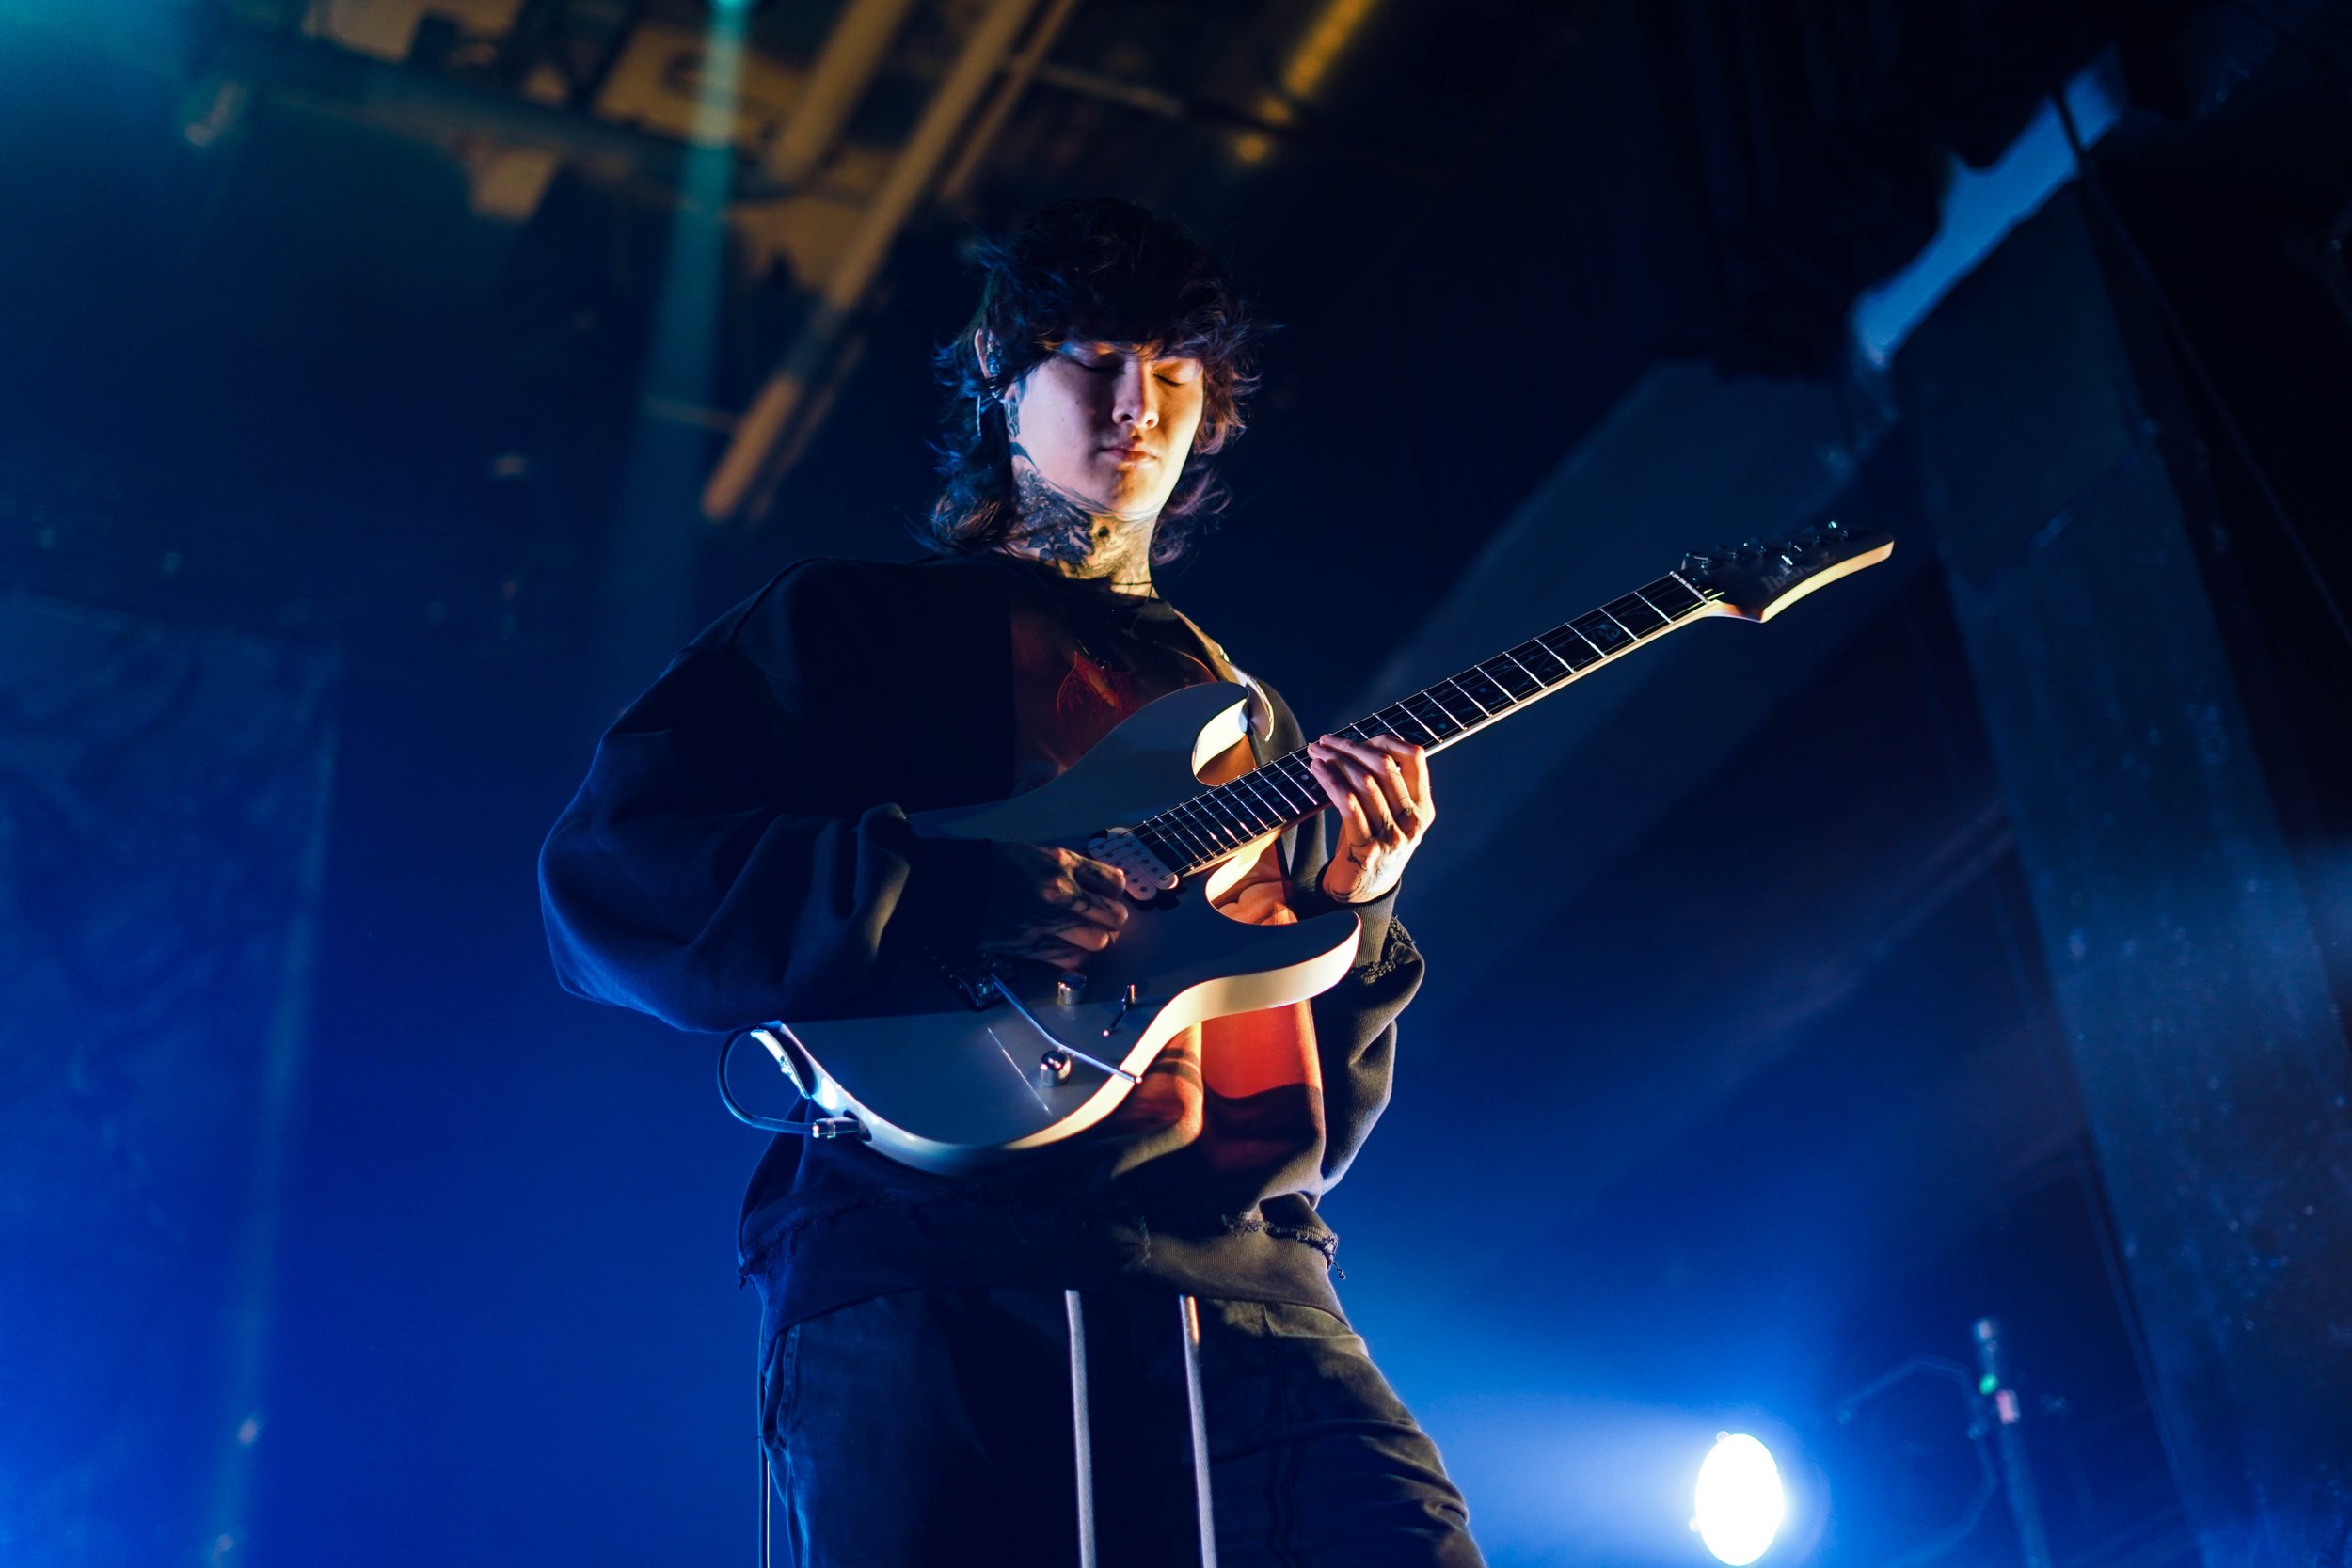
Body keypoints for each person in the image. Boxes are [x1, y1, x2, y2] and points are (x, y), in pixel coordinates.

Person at [539, 197, 1482, 1567]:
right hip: (936, 1276)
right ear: (999, 374)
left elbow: (1313, 1113)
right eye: (1094, 360)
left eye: (1173, 372)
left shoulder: (1250, 722)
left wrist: (1354, 901)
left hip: (1246, 1297)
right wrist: (944, 891)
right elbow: (609, 877)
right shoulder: (850, 628)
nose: (1136, 406)